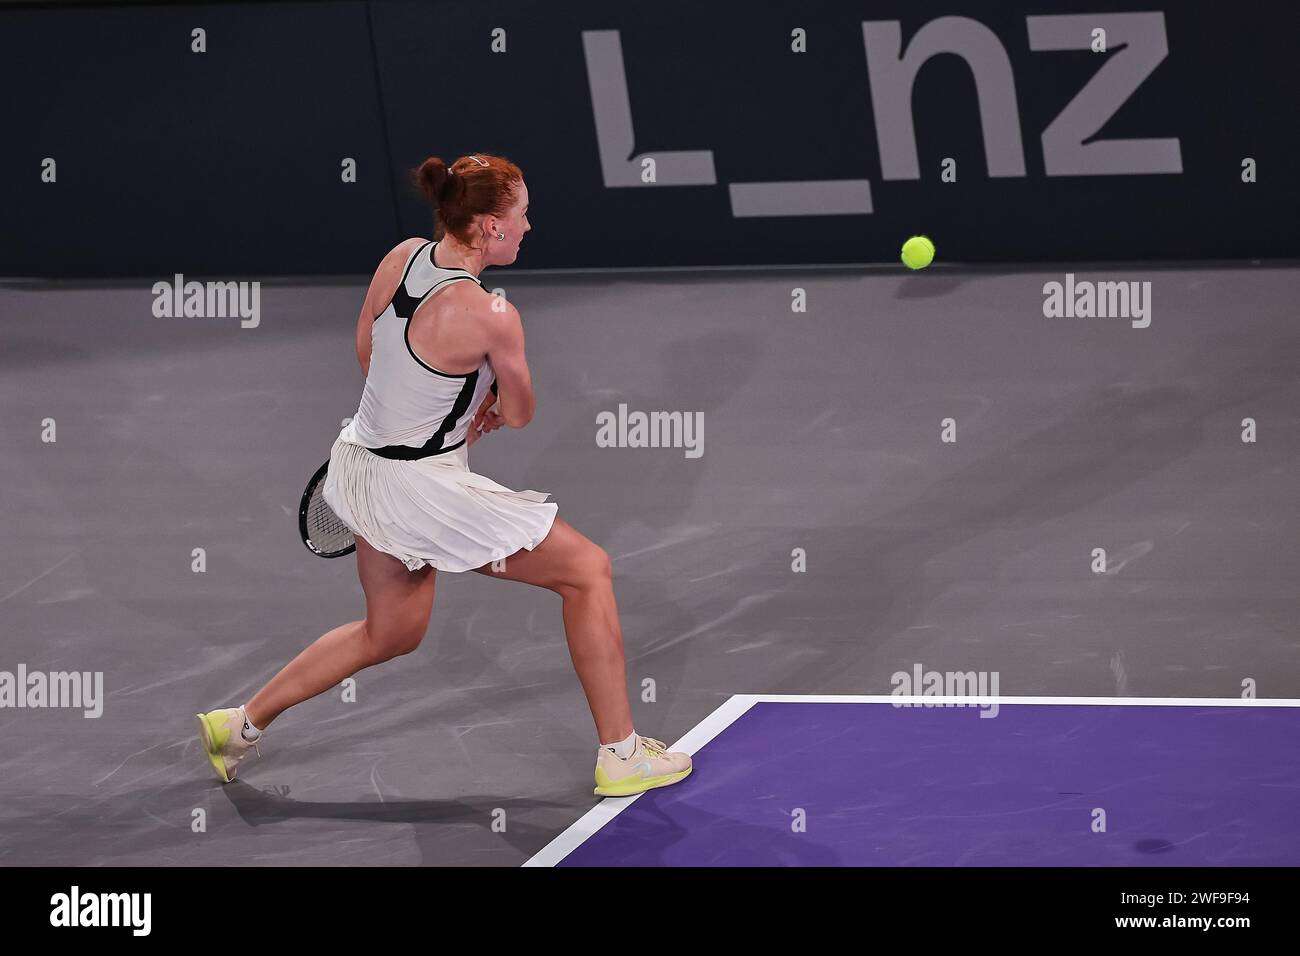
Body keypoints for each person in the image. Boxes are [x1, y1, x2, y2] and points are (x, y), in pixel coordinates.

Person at [195, 153, 690, 798]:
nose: (529, 228)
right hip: (420, 491)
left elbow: (369, 351)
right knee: (588, 571)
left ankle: (239, 725)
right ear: (488, 227)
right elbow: (520, 412)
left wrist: (424, 408)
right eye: (522, 217)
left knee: (391, 631)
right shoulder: (493, 315)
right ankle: (621, 755)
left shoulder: (400, 258)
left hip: (362, 468)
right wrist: (476, 415)